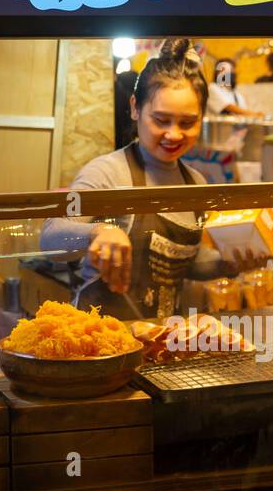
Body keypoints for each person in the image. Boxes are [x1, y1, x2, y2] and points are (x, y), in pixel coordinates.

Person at [42, 39, 257, 318]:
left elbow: (187, 264)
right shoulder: (107, 171)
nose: (174, 134)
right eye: (161, 120)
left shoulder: (196, 183)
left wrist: (228, 264)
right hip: (101, 340)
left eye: (187, 123)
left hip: (163, 340)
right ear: (135, 108)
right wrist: (98, 232)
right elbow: (50, 240)